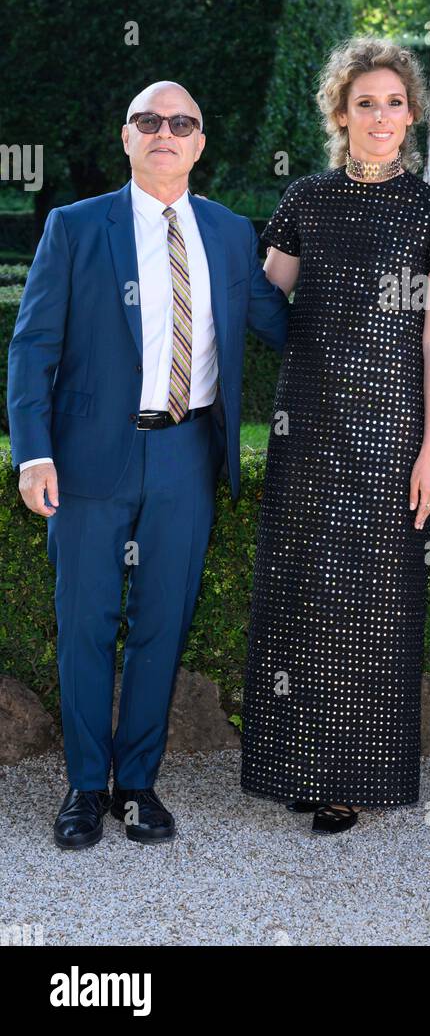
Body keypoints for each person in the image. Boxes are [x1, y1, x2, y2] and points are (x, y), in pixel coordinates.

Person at [7, 81, 291, 849]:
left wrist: (388, 328)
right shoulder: (75, 226)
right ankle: (83, 786)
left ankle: (136, 784)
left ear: (200, 144)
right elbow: (32, 347)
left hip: (186, 457)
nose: (165, 131)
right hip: (86, 459)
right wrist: (33, 453)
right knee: (85, 624)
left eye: (181, 122)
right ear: (127, 137)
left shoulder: (229, 232)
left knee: (162, 624)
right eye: (149, 120)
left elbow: (286, 326)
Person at [240, 38, 430, 834]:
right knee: (301, 595)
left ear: (412, 115)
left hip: (391, 432)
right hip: (305, 426)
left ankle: (351, 777)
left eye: (394, 103)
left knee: (374, 602)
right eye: (365, 103)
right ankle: (299, 766)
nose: (381, 116)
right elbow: (264, 300)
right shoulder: (305, 199)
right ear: (340, 114)